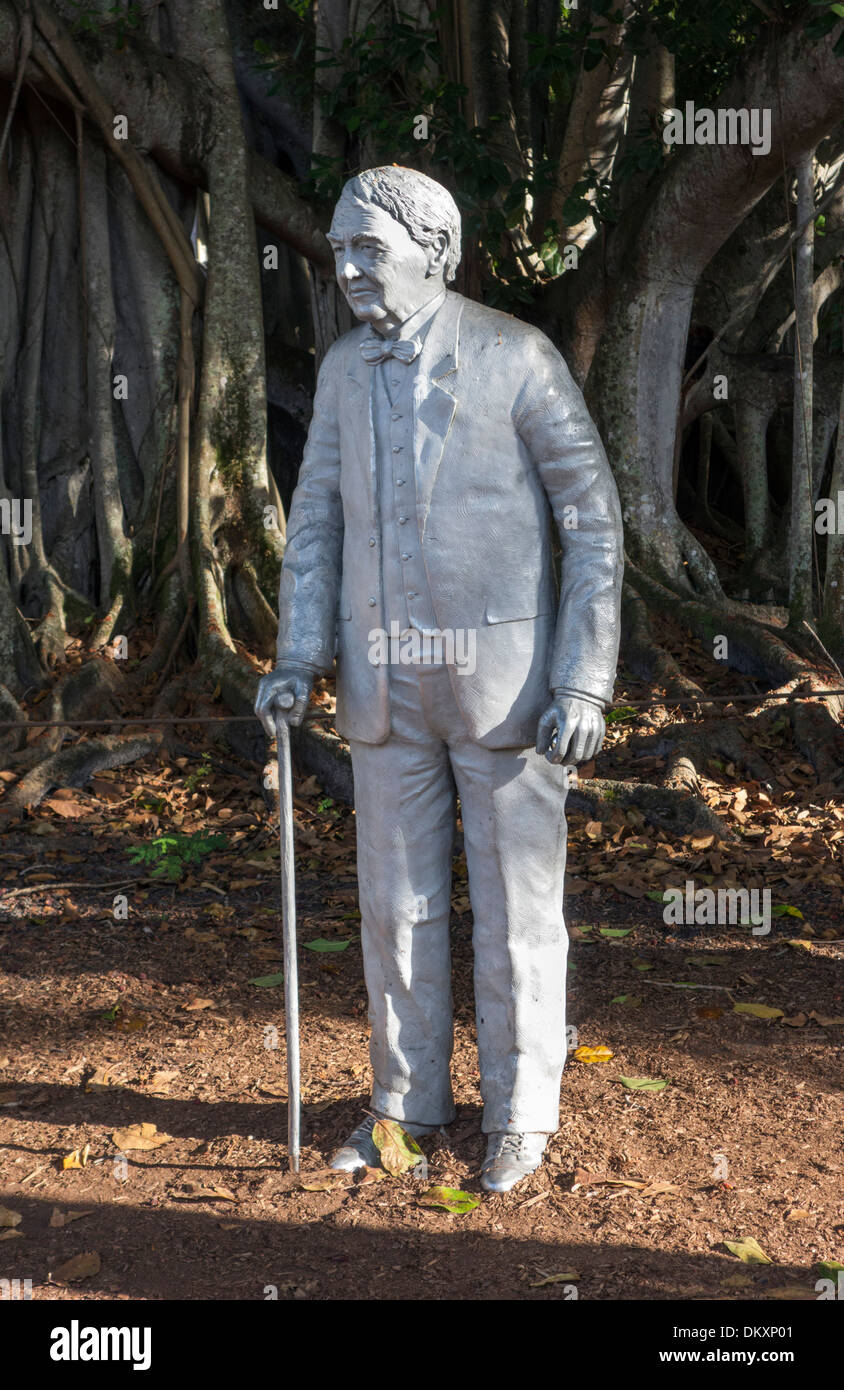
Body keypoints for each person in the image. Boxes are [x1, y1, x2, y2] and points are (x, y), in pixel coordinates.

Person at [256, 166, 623, 1192]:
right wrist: (297, 656)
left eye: (368, 248)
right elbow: (316, 518)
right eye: (338, 250)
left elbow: (592, 521)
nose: (347, 270)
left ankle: (521, 1111)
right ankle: (403, 1106)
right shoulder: (337, 371)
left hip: (506, 689)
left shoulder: (518, 357)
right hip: (384, 685)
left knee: (515, 908)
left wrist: (584, 679)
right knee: (394, 903)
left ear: (437, 249)